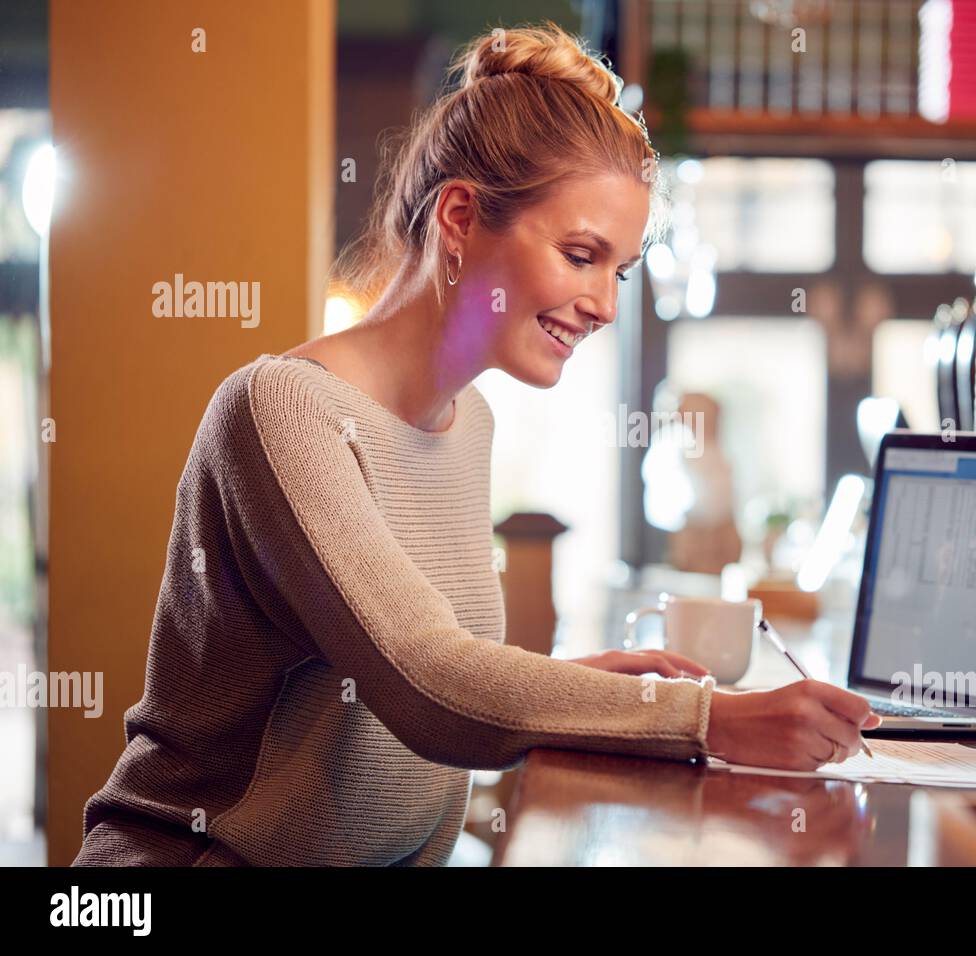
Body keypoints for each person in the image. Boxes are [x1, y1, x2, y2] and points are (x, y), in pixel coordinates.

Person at [74, 21, 879, 867]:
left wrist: (583, 689)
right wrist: (717, 720)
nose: (604, 304)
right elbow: (428, 683)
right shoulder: (283, 412)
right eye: (580, 254)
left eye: (621, 271)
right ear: (459, 216)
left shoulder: (469, 423)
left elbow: (438, 672)